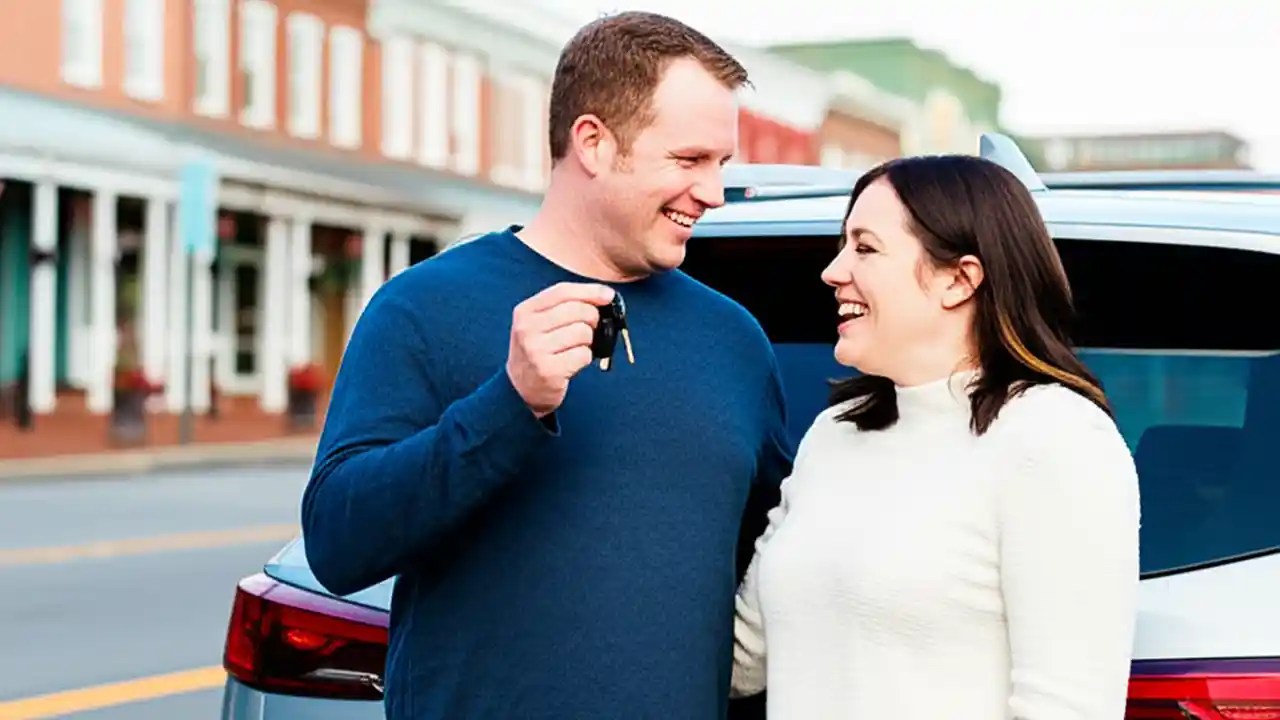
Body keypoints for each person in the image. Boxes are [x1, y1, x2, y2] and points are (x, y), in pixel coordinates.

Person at [300, 11, 793, 720]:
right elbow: (339, 545)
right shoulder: (424, 309)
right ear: (592, 142)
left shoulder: (734, 341)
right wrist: (510, 405)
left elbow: (785, 562)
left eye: (722, 165)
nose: (713, 193)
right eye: (689, 161)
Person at [730, 155, 1141, 719]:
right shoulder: (835, 434)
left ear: (959, 279)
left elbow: (1066, 708)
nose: (832, 270)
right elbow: (741, 659)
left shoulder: (1055, 438)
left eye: (865, 247)